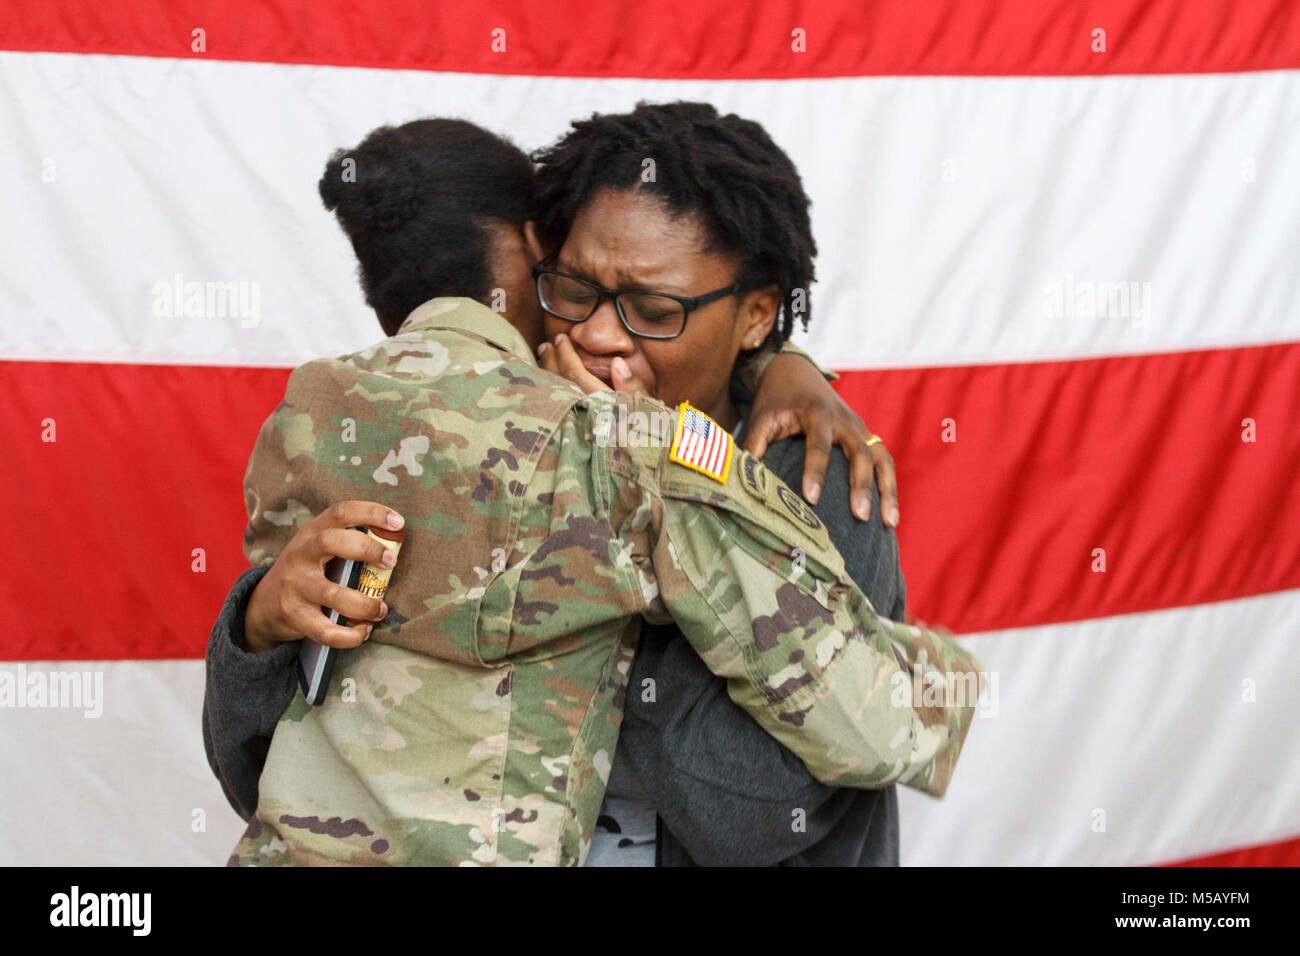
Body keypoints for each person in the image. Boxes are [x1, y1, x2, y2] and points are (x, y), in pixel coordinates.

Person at [205, 115, 971, 867]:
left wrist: (631, 504)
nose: (600, 334)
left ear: (758, 314)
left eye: (652, 310)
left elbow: (751, 817)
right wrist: (259, 629)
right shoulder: (477, 438)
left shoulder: (812, 474)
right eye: (574, 288)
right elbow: (262, 775)